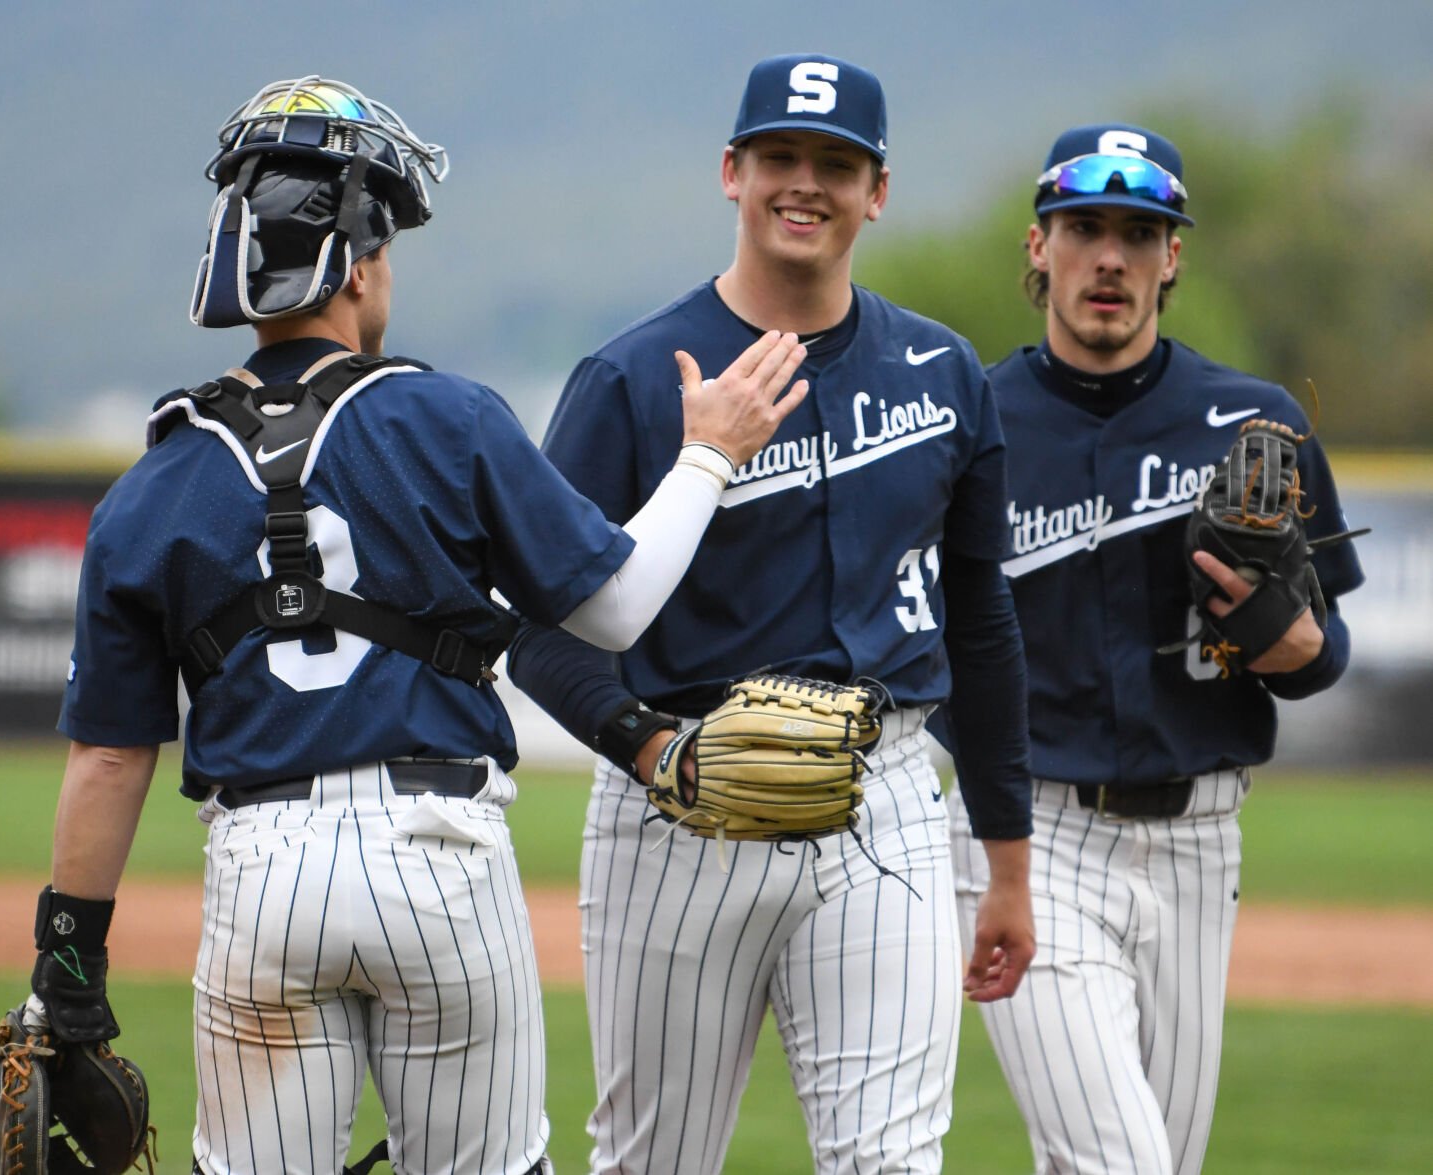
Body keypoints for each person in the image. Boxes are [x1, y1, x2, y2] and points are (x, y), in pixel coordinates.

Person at [24, 75, 812, 1175]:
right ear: (355, 263)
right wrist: (708, 455)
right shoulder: (447, 416)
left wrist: (66, 965)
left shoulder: (152, 482)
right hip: (437, 858)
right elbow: (615, 607)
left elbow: (110, 757)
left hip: (261, 869)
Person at [506, 54, 1036, 1174]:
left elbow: (981, 622)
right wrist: (648, 746)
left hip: (885, 799)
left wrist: (1006, 859)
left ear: (875, 191)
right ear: (730, 173)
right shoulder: (632, 376)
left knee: (892, 1159)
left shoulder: (941, 370)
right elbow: (538, 631)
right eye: (778, 156)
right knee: (653, 1158)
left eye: (834, 164)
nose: (805, 183)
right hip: (678, 804)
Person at [943, 123, 1366, 1175]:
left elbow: (1321, 650)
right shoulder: (972, 422)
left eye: (1137, 233)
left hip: (1199, 844)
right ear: (1038, 244)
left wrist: (1301, 647)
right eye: (1082, 227)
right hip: (1028, 835)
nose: (1109, 257)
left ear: (1170, 256)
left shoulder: (1253, 421)